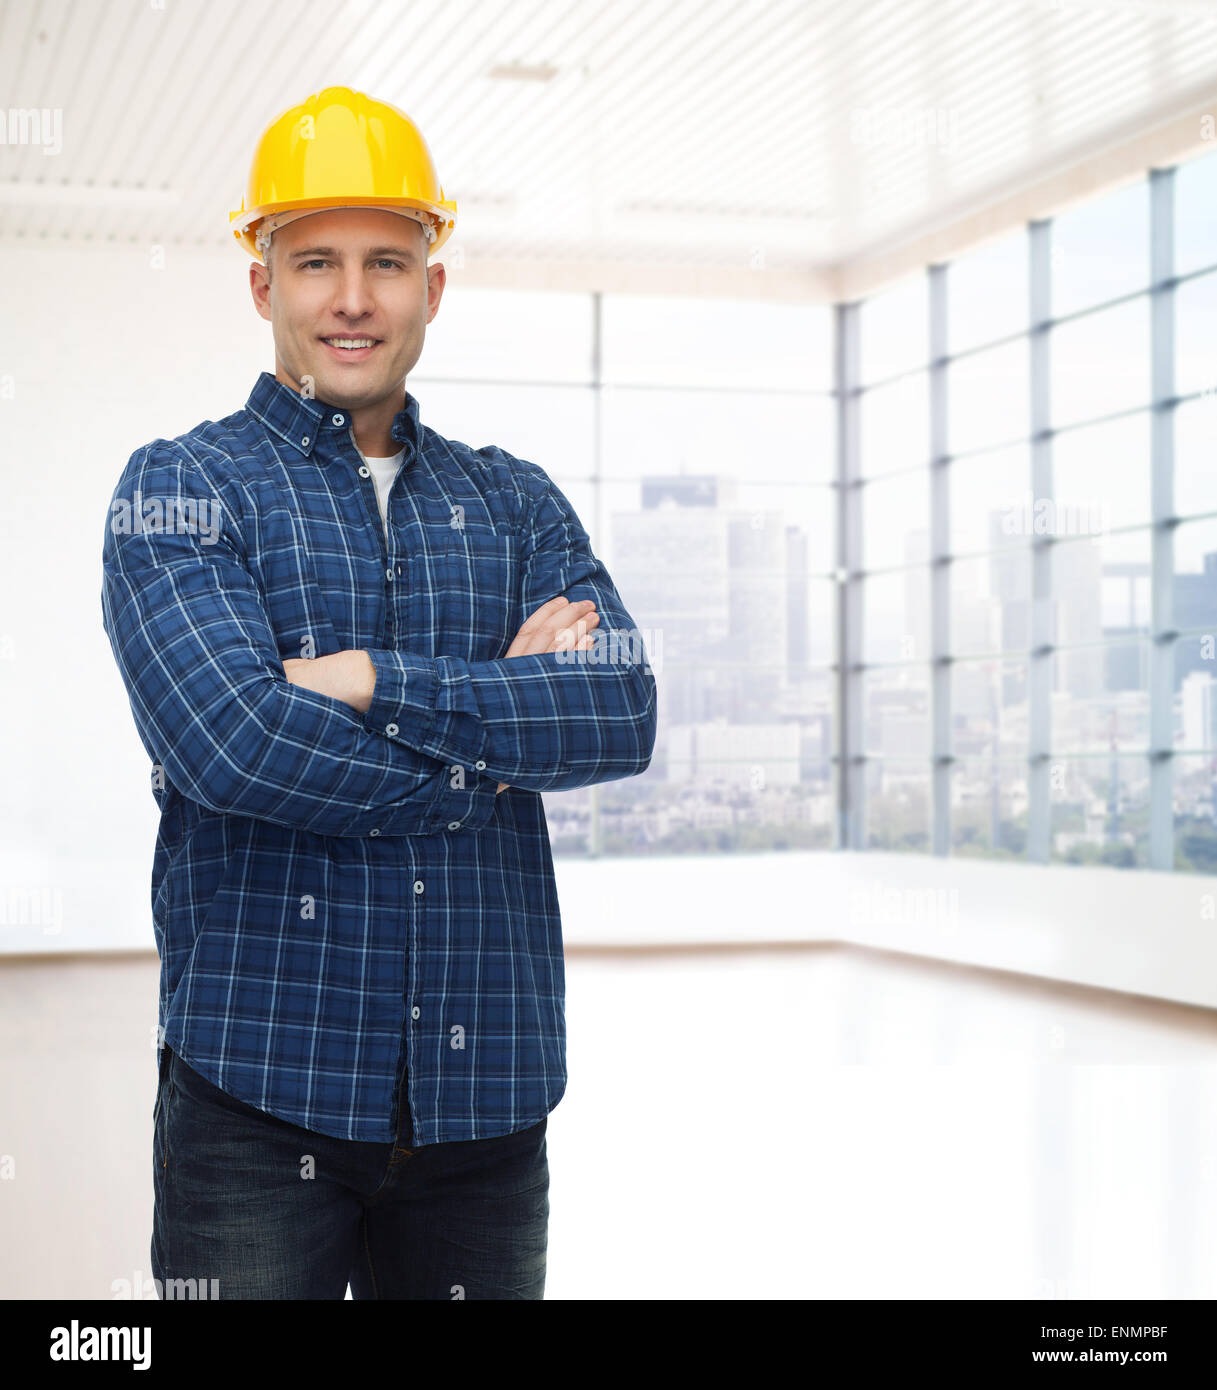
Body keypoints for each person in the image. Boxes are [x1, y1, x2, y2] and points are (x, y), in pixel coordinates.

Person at [99, 86, 657, 1300]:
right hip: (255, 1103)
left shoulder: (515, 501)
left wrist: (362, 681)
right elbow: (235, 745)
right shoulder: (180, 490)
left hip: (485, 1110)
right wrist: (495, 719)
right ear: (263, 284)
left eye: (386, 263)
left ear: (432, 286)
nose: (352, 298)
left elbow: (620, 711)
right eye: (315, 262)